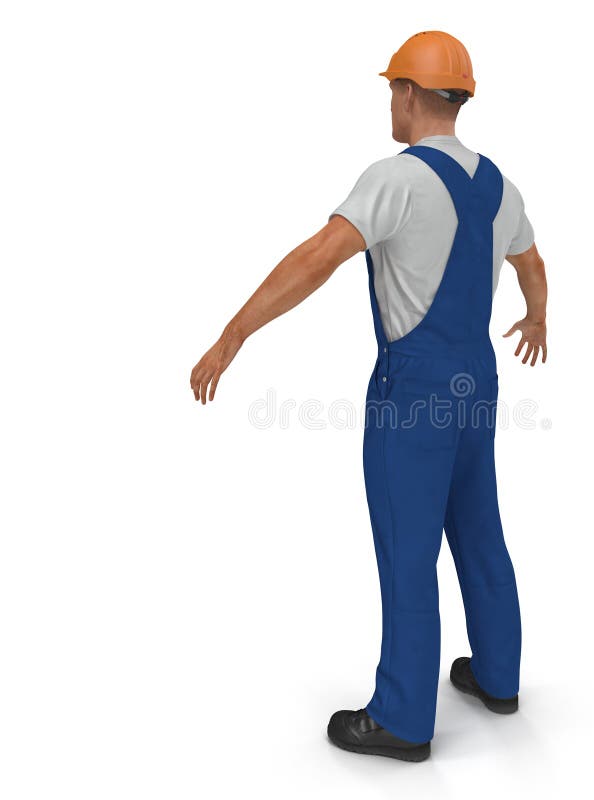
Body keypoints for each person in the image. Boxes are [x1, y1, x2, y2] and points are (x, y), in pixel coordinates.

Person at [189, 30, 548, 763]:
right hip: (475, 382)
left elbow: (319, 256)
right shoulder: (499, 186)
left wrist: (234, 334)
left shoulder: (396, 177)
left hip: (412, 390)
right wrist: (537, 317)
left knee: (407, 548)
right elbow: (532, 263)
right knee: (479, 528)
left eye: (392, 89)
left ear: (410, 94)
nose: (390, 101)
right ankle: (498, 678)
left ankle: (404, 718)